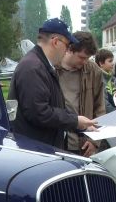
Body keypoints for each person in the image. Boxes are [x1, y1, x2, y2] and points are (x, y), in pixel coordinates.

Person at [9, 19, 98, 150]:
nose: (67, 51)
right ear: (56, 42)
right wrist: (75, 121)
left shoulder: (41, 65)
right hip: (36, 151)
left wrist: (78, 125)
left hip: (41, 147)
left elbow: (52, 108)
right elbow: (39, 113)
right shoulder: (33, 67)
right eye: (67, 46)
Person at [56, 32, 107, 157]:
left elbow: (100, 108)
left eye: (88, 58)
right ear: (69, 49)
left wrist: (94, 141)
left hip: (82, 144)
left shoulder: (93, 71)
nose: (85, 62)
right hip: (55, 141)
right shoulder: (52, 69)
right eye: (82, 57)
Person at [95, 48, 116, 113]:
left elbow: (115, 96)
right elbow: (104, 102)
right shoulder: (98, 78)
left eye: (112, 61)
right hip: (106, 115)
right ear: (101, 63)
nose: (113, 63)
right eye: (110, 61)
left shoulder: (110, 77)